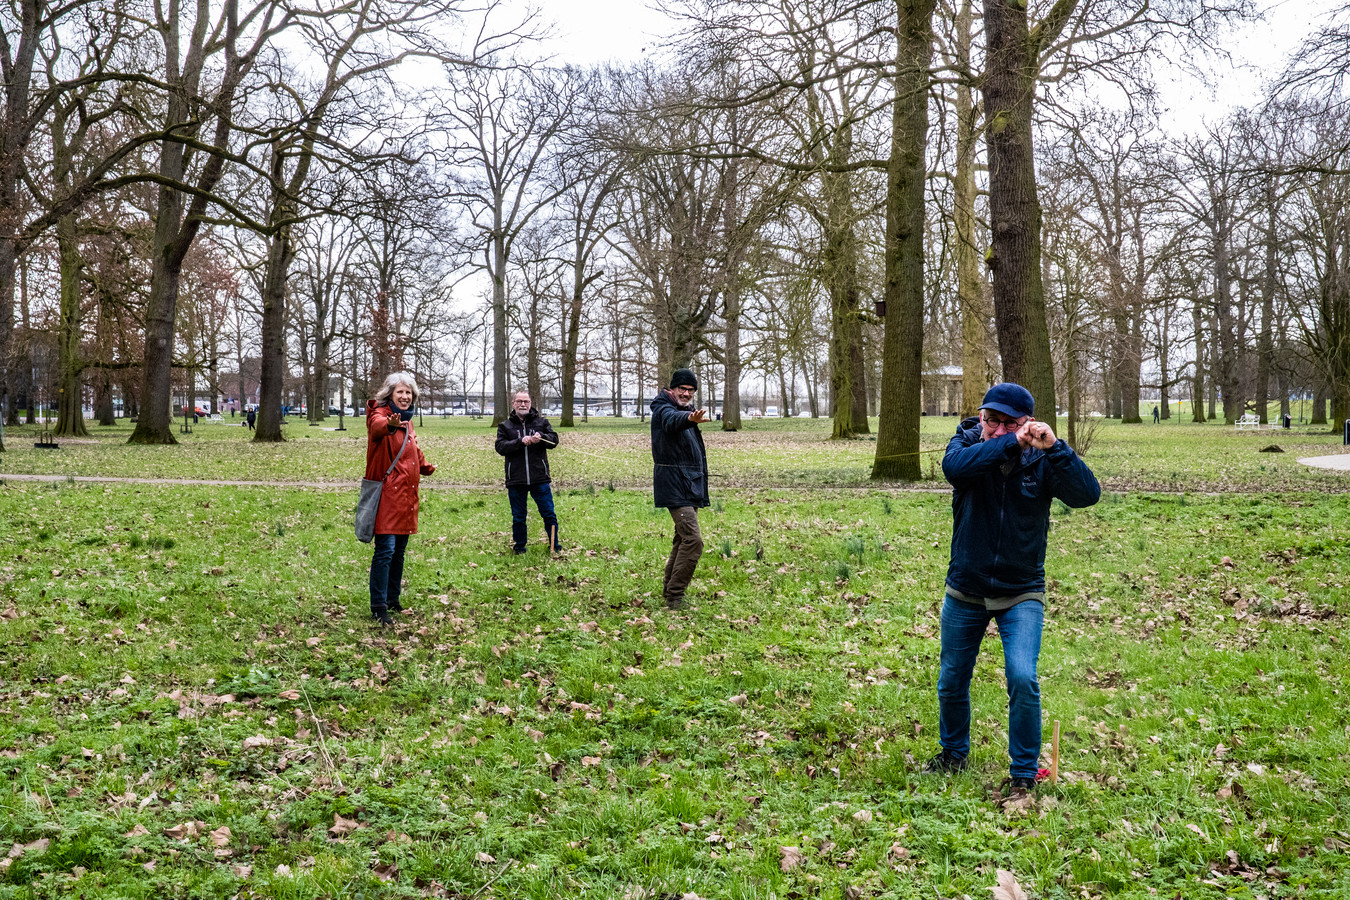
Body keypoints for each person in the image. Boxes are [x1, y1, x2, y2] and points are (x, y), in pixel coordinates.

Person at [927, 382, 1100, 792]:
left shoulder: (1042, 457)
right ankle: (953, 753)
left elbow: (1087, 495)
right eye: (992, 420)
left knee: (1023, 677)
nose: (997, 429)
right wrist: (1007, 443)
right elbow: (956, 470)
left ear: (1028, 422)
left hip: (1021, 589)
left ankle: (1024, 774)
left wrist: (1056, 449)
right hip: (966, 586)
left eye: (1010, 423)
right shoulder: (966, 443)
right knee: (952, 678)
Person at [365, 371, 436, 627]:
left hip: (406, 493)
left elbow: (412, 449)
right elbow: (376, 429)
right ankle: (378, 606)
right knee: (386, 551)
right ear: (390, 394)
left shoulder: (407, 421)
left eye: (408, 393)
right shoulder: (380, 414)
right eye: (400, 392)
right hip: (387, 494)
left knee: (400, 552)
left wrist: (426, 466)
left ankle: (393, 599)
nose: (405, 397)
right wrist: (390, 424)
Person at [650, 368, 709, 610]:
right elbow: (670, 422)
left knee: (681, 539)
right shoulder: (665, 409)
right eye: (682, 389)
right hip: (675, 484)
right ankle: (675, 597)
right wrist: (688, 419)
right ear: (672, 389)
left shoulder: (683, 409)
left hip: (688, 483)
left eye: (690, 390)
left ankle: (670, 591)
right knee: (693, 541)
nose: (686, 393)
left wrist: (688, 417)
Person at [494, 389, 561, 554]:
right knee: (518, 517)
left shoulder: (541, 423)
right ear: (514, 404)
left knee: (549, 514)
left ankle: (555, 546)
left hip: (540, 478)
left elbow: (554, 441)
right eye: (519, 401)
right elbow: (500, 447)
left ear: (531, 404)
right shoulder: (505, 426)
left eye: (526, 402)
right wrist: (520, 442)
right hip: (516, 479)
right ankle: (519, 548)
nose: (523, 404)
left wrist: (541, 438)